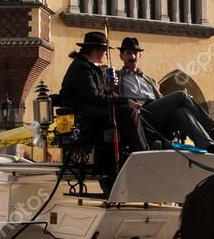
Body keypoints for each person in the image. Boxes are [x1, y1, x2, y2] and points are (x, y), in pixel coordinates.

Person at [116, 37, 214, 152]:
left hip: (156, 113)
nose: (133, 56)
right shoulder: (118, 76)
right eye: (128, 53)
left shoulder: (148, 79)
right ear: (121, 56)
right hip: (139, 114)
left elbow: (160, 98)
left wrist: (175, 104)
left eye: (135, 53)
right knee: (181, 96)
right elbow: (111, 95)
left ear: (140, 56)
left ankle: (208, 145)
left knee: (181, 112)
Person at [59, 31, 150, 167]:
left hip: (91, 113)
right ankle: (142, 155)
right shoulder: (82, 68)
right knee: (129, 112)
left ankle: (142, 153)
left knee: (130, 110)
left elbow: (97, 95)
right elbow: (94, 98)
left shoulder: (88, 67)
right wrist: (125, 101)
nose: (107, 54)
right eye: (105, 50)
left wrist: (107, 89)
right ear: (95, 50)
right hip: (85, 119)